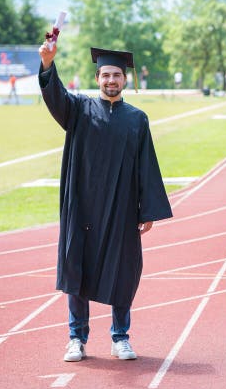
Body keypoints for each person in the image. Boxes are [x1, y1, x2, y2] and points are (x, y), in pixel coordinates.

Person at [38, 41, 172, 363]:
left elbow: (146, 164)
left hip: (121, 208)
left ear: (124, 80)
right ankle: (76, 338)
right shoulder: (79, 111)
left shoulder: (137, 120)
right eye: (106, 75)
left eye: (116, 75)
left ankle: (120, 337)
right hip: (82, 205)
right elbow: (54, 96)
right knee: (76, 269)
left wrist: (147, 208)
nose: (111, 81)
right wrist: (47, 64)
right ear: (97, 77)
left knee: (123, 270)